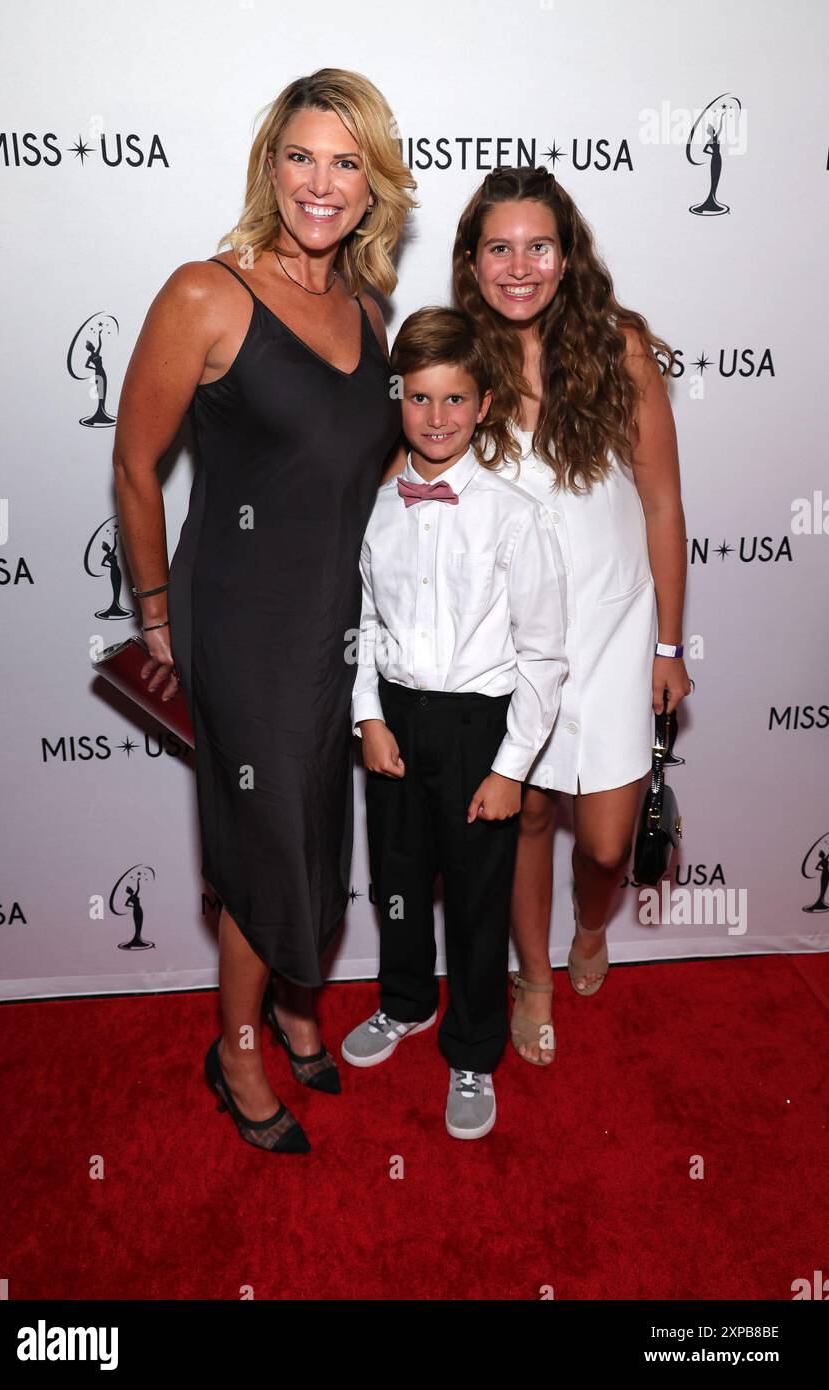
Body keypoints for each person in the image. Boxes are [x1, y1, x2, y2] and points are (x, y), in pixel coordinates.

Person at [112, 70, 415, 1153]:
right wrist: (156, 610)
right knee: (269, 835)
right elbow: (135, 464)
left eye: (346, 162)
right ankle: (236, 1045)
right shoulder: (208, 294)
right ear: (269, 167)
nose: (320, 184)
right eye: (300, 157)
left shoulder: (370, 312)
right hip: (240, 620)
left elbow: (363, 472)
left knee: (319, 826)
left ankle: (294, 1006)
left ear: (373, 186)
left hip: (338, 619)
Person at [451, 165, 692, 1065]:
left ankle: (592, 924)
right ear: (472, 261)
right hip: (512, 640)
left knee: (603, 842)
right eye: (499, 248)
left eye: (538, 247)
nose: (519, 268)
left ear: (568, 255)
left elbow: (662, 504)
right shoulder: (458, 359)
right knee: (525, 818)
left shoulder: (616, 347)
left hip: (617, 631)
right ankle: (534, 978)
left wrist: (669, 643)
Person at [341, 306, 568, 1139]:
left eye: (455, 399)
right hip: (397, 719)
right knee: (398, 879)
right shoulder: (374, 508)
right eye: (419, 398)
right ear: (396, 399)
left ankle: (473, 1048)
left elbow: (543, 654)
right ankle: (405, 1001)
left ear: (484, 404)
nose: (436, 417)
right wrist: (368, 716)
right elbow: (363, 625)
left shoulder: (515, 514)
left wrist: (511, 768)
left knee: (476, 898)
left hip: (481, 728)